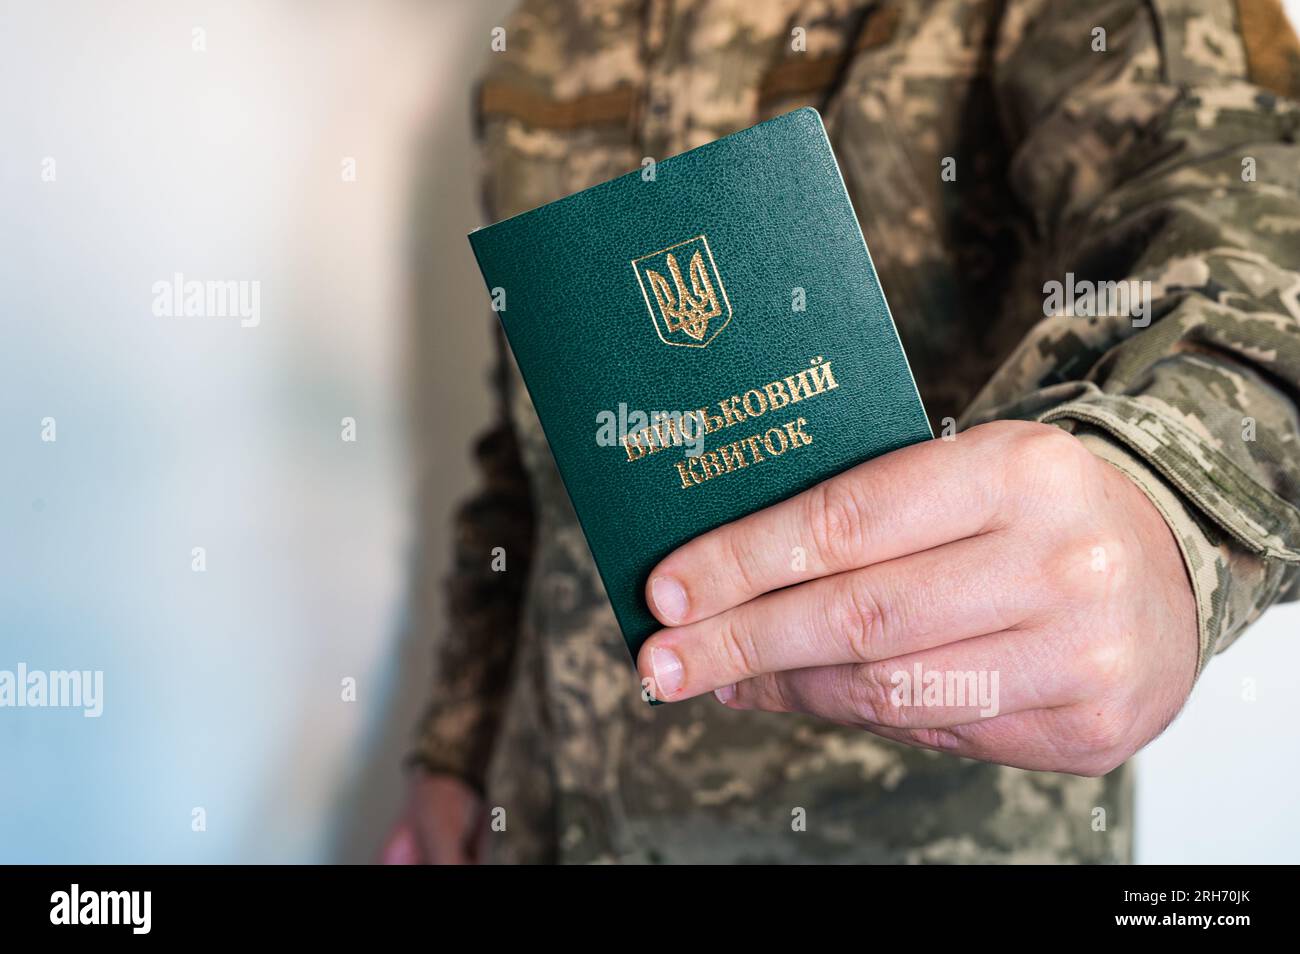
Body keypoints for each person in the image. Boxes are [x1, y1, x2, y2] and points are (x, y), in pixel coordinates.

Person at [383, 0, 1300, 864]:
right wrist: (460, 745)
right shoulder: (543, 30)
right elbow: (535, 446)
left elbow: (1257, 252)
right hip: (547, 818)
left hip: (914, 832)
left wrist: (1160, 501)